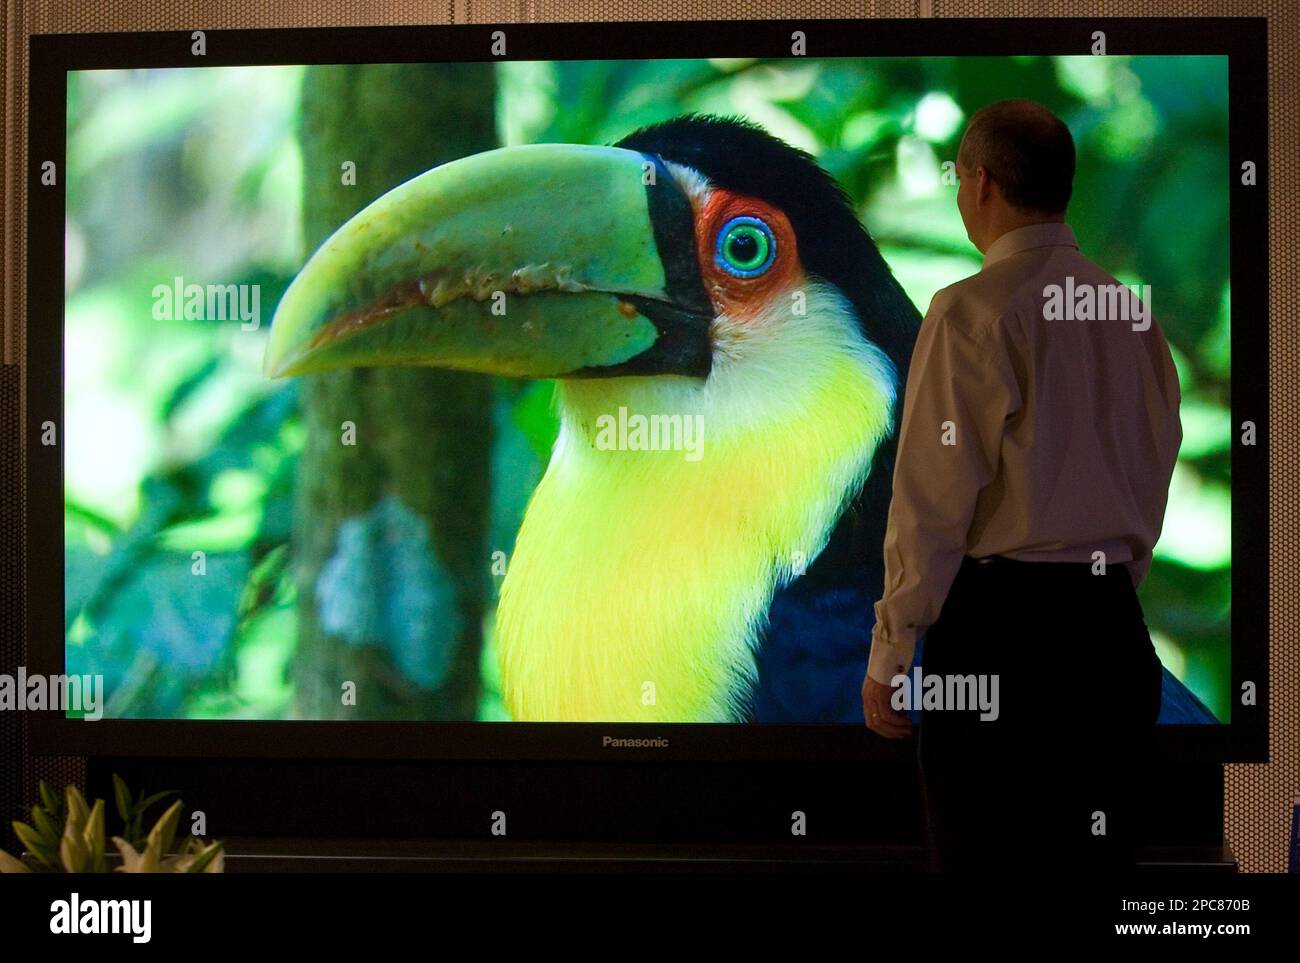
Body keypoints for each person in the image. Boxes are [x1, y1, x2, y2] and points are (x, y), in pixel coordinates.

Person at [861, 99, 1181, 871]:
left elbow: (932, 502)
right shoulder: (1130, 314)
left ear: (981, 186)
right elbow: (1157, 456)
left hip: (999, 637)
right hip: (1110, 641)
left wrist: (891, 653)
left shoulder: (970, 311)